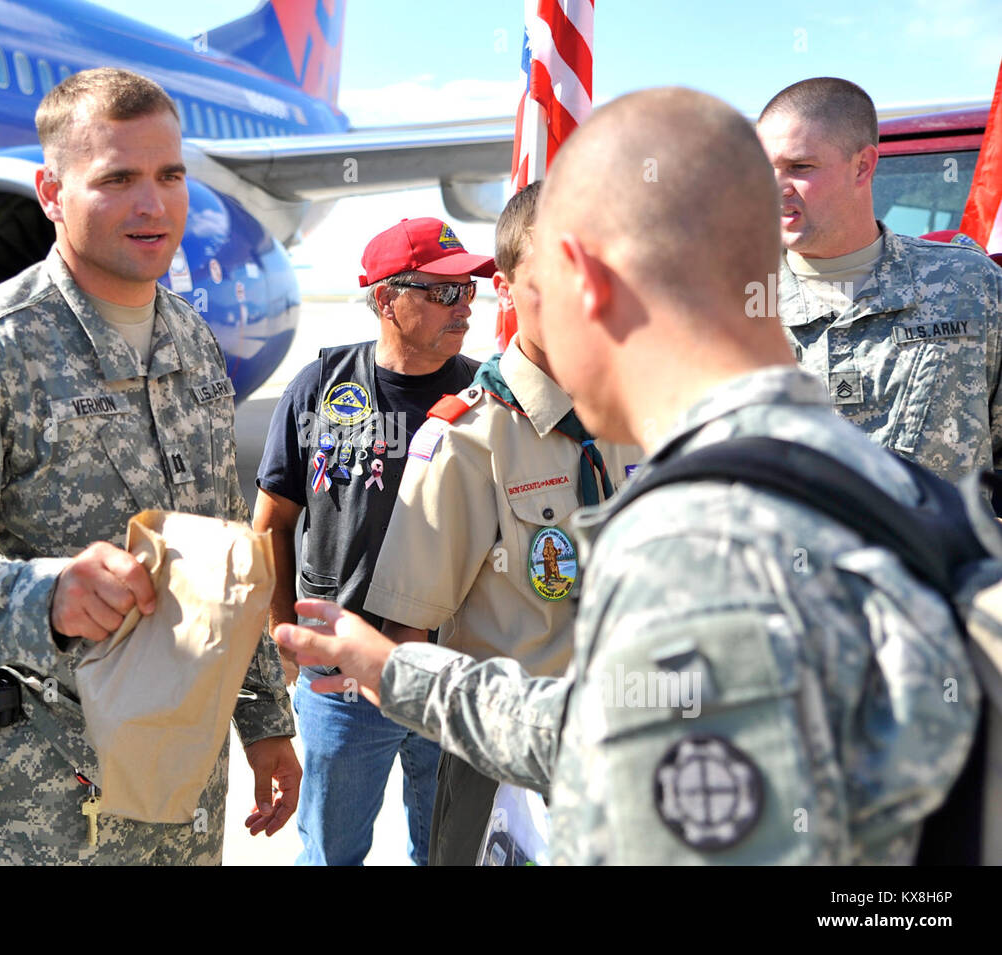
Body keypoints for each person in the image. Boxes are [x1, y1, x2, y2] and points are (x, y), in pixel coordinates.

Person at [273, 86, 980, 864]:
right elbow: (610, 722)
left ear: (582, 279)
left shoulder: (693, 536)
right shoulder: (889, 483)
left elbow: (626, 773)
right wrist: (389, 668)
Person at [0, 68, 299, 865]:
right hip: (33, 815)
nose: (152, 205)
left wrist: (264, 720)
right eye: (117, 179)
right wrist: (44, 595)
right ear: (51, 193)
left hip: (177, 796)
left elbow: (228, 556)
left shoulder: (191, 344)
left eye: (170, 176)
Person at [362, 182, 638, 865]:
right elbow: (406, 643)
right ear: (508, 288)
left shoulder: (635, 417)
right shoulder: (466, 441)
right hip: (511, 783)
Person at [253, 217, 493, 865]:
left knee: (448, 852)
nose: (465, 306)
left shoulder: (487, 398)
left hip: (452, 677)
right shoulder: (322, 386)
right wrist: (287, 643)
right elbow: (271, 523)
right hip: (343, 682)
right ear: (387, 299)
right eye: (443, 292)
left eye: (468, 290)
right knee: (332, 853)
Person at [757, 76, 1002, 483]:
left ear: (862, 166)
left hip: (937, 547)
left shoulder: (970, 286)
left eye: (800, 167)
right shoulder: (734, 303)